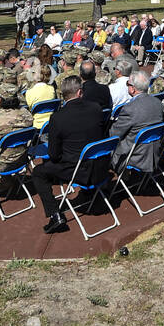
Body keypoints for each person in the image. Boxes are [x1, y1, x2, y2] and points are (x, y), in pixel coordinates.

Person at [34, 75, 109, 234]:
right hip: (101, 167)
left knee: (38, 172)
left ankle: (55, 215)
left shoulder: (57, 118)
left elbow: (53, 155)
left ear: (63, 95)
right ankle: (90, 194)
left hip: (78, 171)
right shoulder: (96, 108)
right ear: (80, 92)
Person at [108, 70, 164, 170]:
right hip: (154, 151)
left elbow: (114, 134)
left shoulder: (130, 108)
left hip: (135, 155)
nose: (127, 86)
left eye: (128, 84)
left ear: (133, 89)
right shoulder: (158, 102)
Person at [24, 62, 57, 130]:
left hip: (37, 125)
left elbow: (29, 109)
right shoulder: (52, 89)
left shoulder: (30, 92)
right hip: (51, 122)